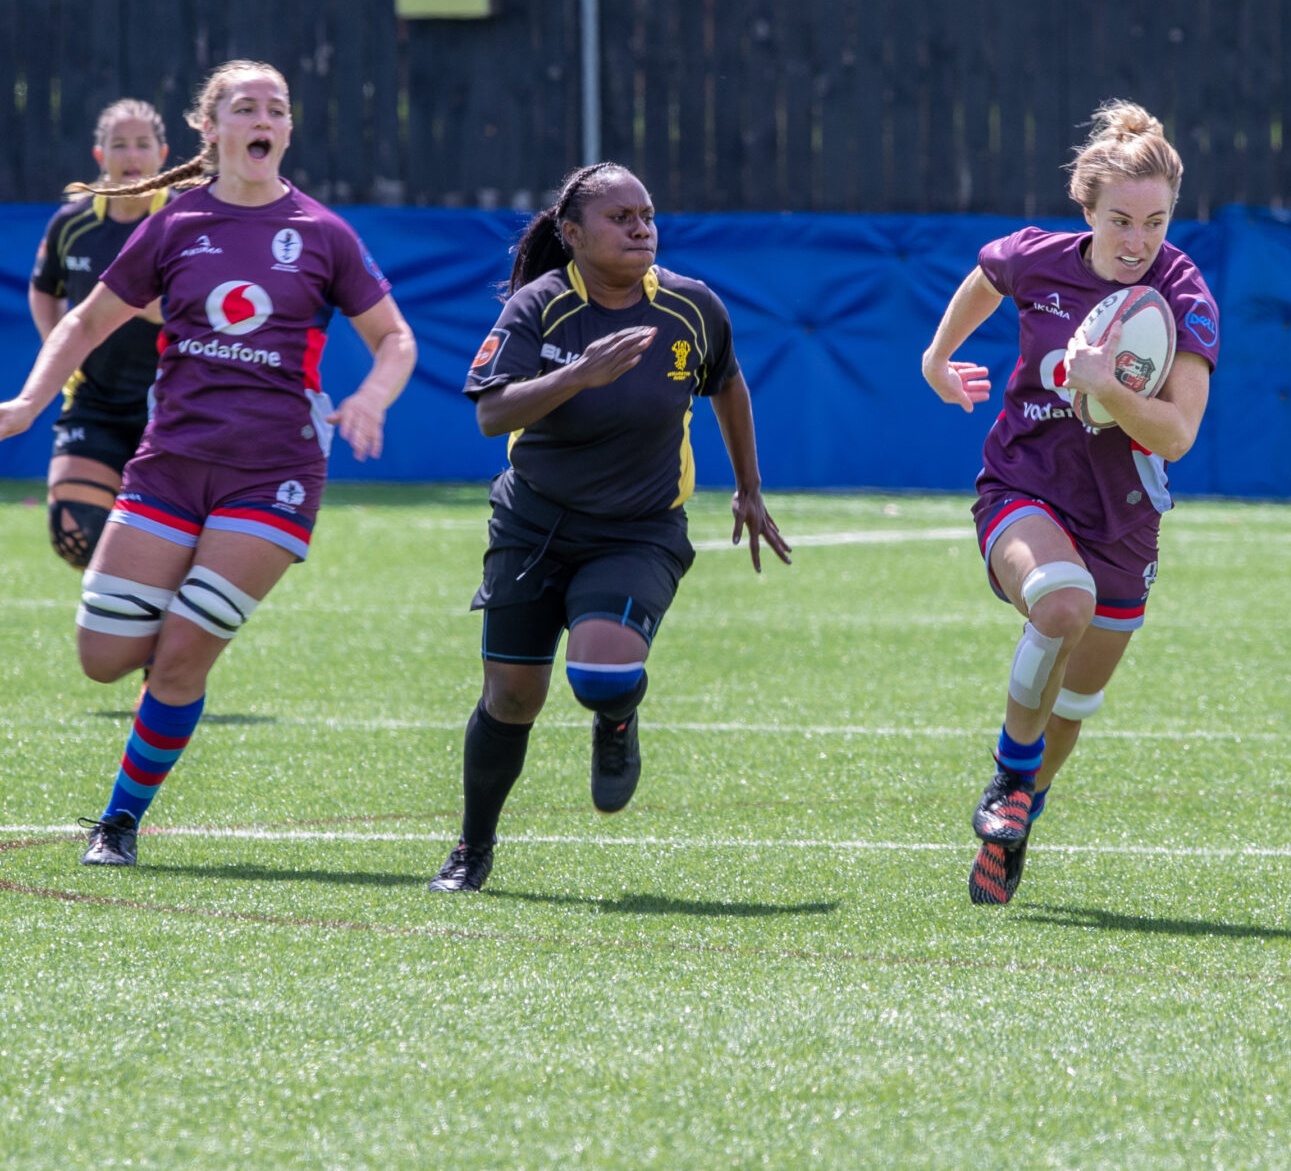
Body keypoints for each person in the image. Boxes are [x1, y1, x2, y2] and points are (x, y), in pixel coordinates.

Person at [0, 60, 417, 868]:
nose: (265, 119)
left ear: (286, 131)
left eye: (278, 109)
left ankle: (118, 822)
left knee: (185, 653)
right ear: (211, 129)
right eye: (247, 107)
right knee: (102, 657)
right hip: (169, 464)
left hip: (275, 473)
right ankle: (178, 648)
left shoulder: (325, 234)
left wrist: (371, 397)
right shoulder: (174, 225)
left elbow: (396, 338)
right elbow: (83, 324)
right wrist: (25, 403)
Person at [426, 163, 790, 893]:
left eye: (647, 214)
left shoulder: (692, 307)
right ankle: (473, 847)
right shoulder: (542, 306)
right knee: (512, 698)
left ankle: (617, 721)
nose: (640, 227)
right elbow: (491, 412)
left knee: (602, 673)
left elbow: (728, 382)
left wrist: (749, 488)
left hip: (638, 530)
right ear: (571, 234)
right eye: (620, 216)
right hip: (533, 524)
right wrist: (575, 377)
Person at [921, 101, 1218, 905]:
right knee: (1060, 603)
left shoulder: (1183, 290)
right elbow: (989, 276)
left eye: (1155, 222)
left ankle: (1021, 810)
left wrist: (1108, 389)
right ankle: (1008, 778)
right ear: (1084, 210)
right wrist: (938, 358)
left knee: (1076, 705)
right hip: (1025, 483)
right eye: (1120, 220)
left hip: (1124, 520)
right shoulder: (1039, 259)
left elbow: (1180, 433)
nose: (1139, 241)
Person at [28, 100, 174, 573]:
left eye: (142, 145)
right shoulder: (70, 224)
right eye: (119, 145)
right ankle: (119, 625)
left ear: (163, 154)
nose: (132, 156)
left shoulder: (185, 222)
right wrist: (60, 347)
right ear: (99, 156)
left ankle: (158, 636)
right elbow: (42, 289)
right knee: (75, 531)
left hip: (173, 407)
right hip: (95, 400)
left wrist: (165, 313)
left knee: (164, 545)